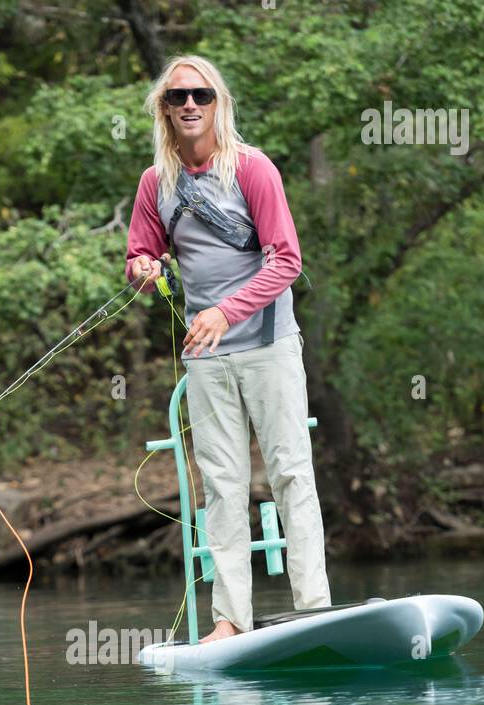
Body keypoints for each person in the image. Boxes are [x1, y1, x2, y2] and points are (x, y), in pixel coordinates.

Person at [126, 54, 331, 642]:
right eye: (177, 97)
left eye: (201, 95)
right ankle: (230, 620)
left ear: (219, 104)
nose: (189, 104)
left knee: (292, 472)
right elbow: (139, 260)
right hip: (205, 356)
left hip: (268, 345)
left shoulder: (253, 169)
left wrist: (225, 311)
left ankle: (314, 607)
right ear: (164, 111)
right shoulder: (154, 184)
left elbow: (287, 261)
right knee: (222, 484)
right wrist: (142, 269)